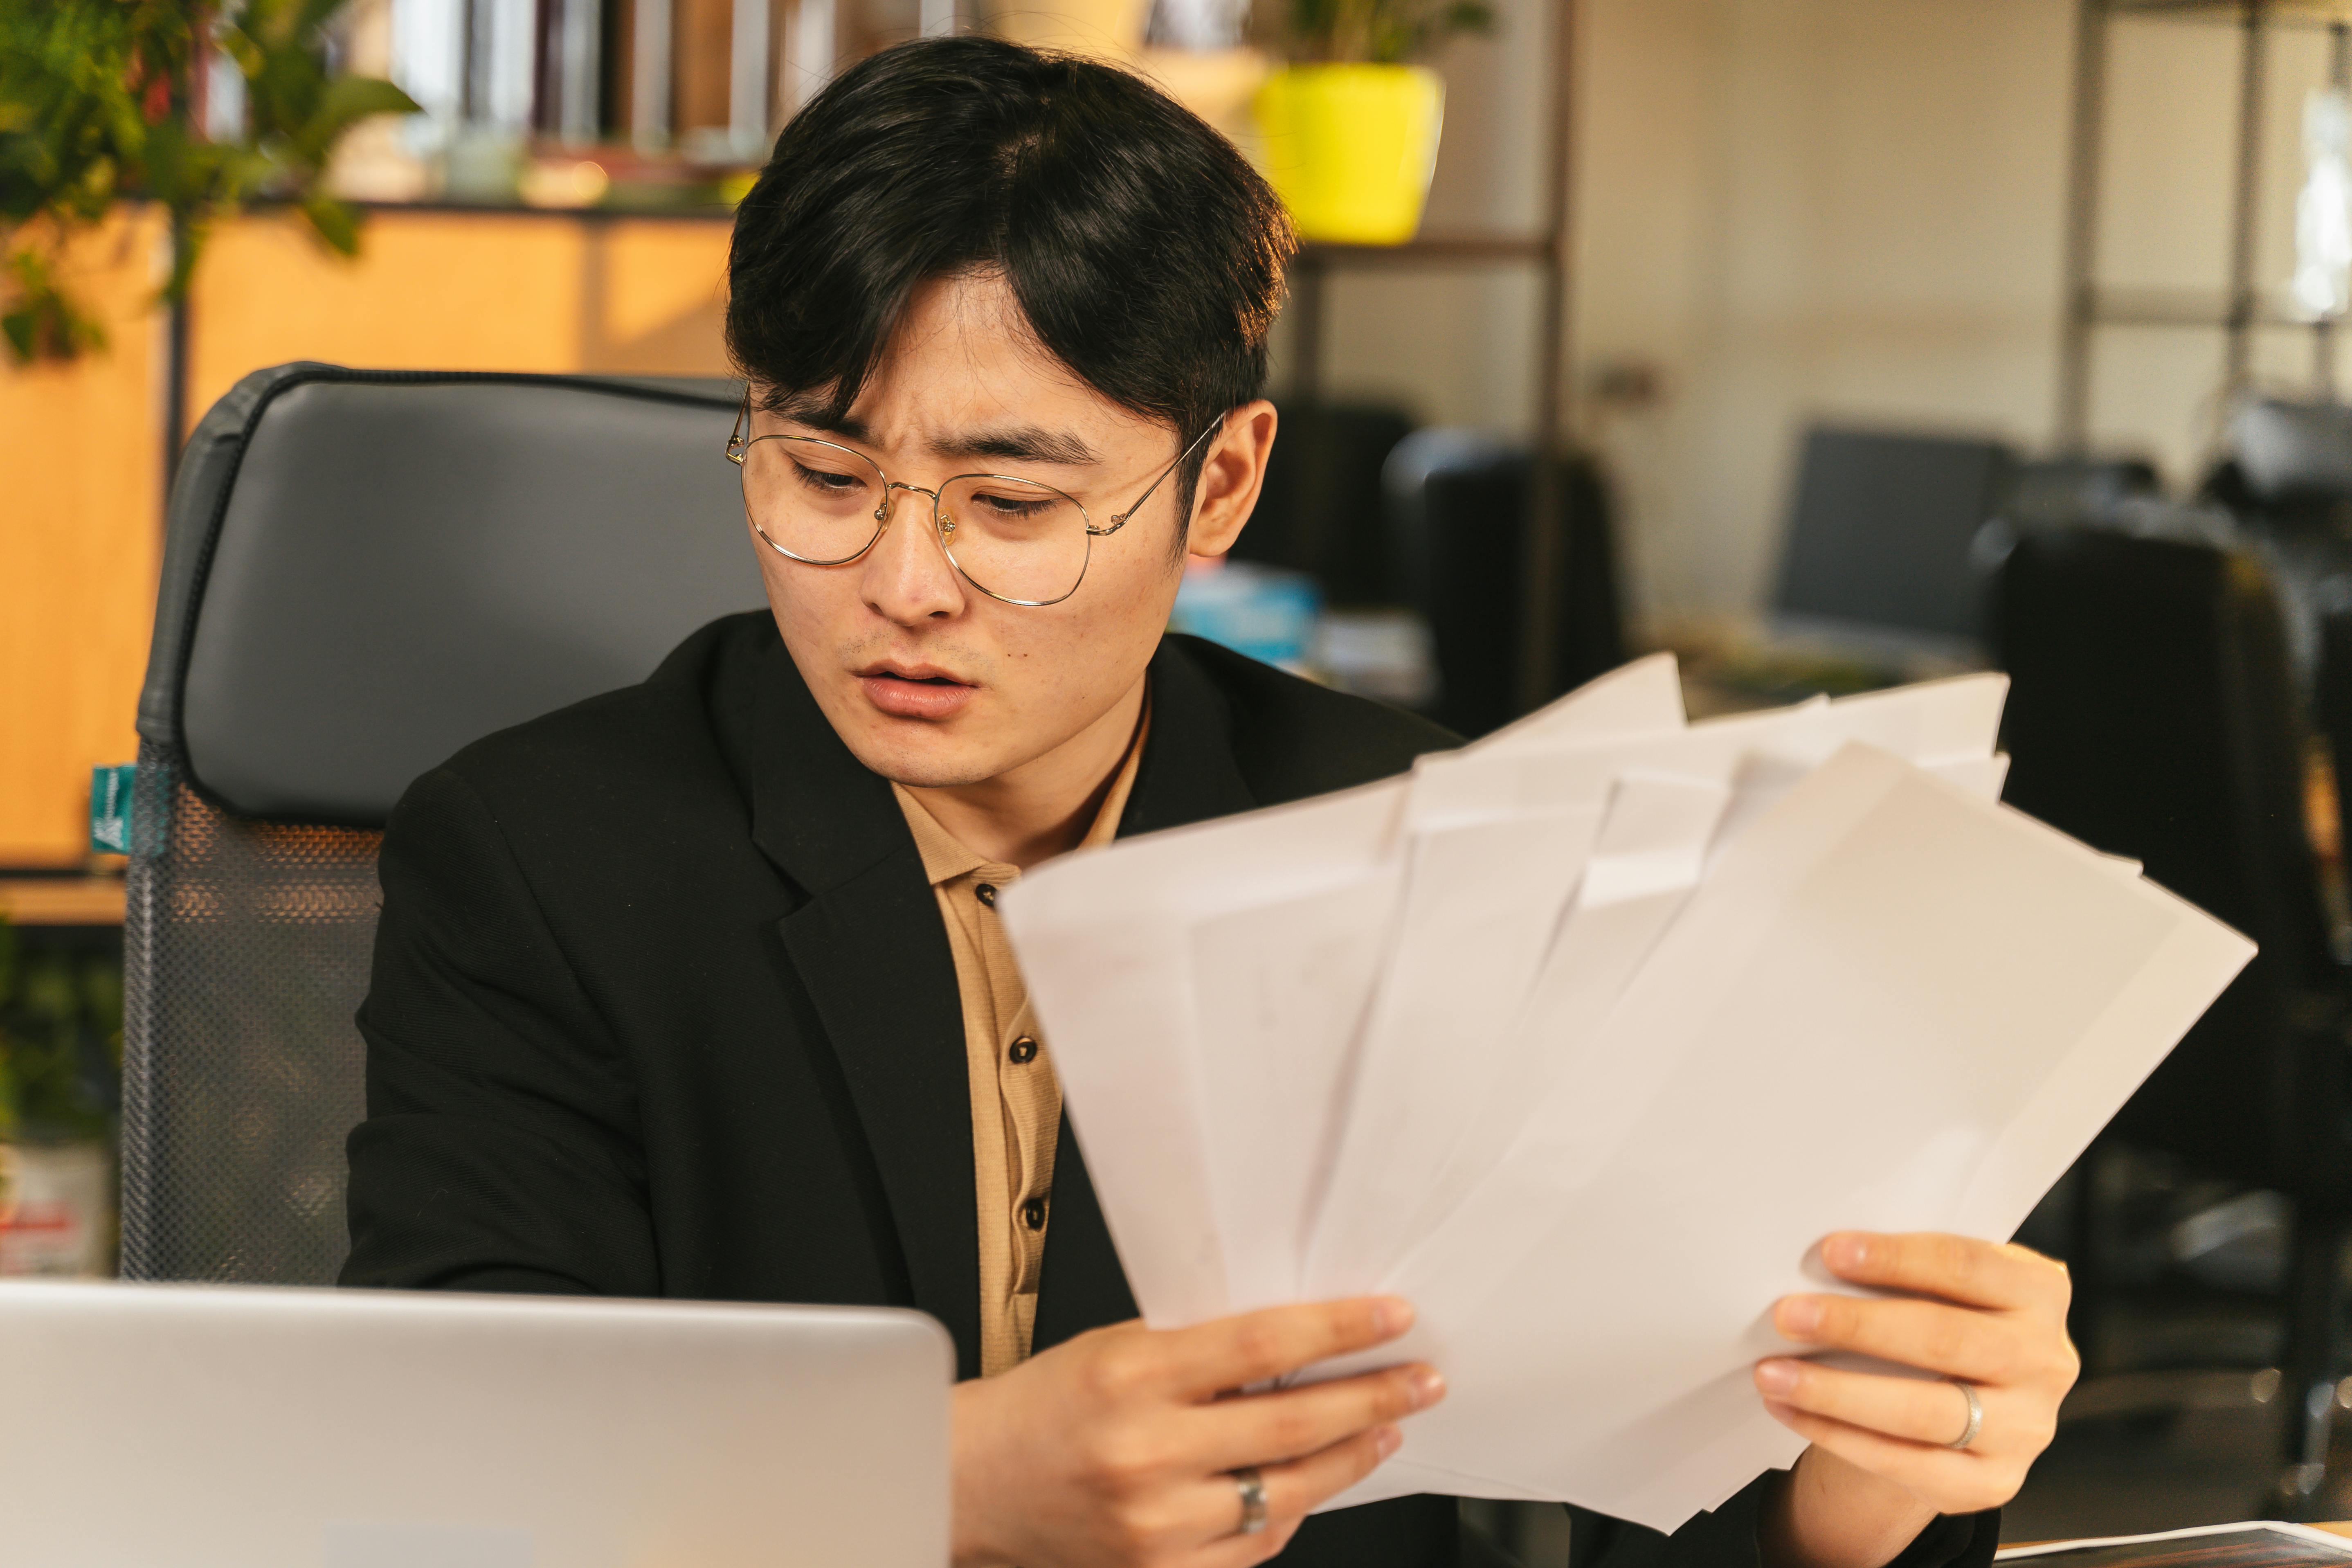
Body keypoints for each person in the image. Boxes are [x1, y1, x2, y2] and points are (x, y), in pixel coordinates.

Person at [340, 34, 2078, 1568]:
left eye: (1011, 502)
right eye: (823, 474)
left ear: (1221, 481)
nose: (900, 580)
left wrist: (1843, 1497)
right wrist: (946, 1479)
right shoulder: (546, 855)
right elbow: (466, 1461)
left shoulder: (1425, 844)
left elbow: (1602, 1504)